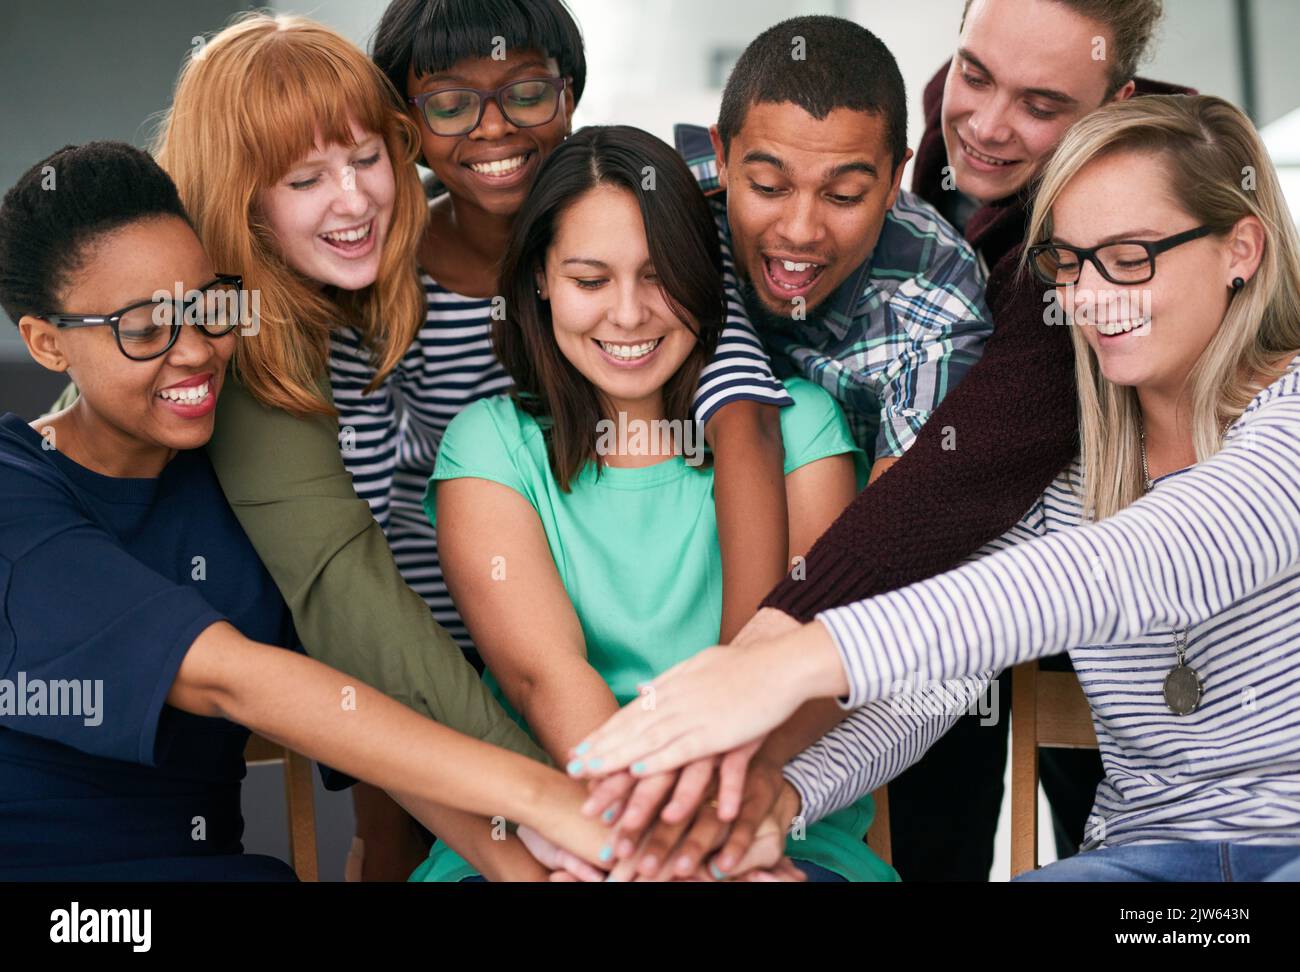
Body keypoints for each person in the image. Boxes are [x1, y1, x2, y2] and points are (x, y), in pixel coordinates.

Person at [570, 95, 1300, 883]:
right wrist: (779, 801)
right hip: (1138, 863)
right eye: (1068, 261)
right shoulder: (1070, 473)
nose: (1089, 296)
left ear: (1242, 248)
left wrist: (782, 659)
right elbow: (935, 679)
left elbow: (1125, 568)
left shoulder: (1288, 419)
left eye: (1129, 258)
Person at [0, 141, 614, 880]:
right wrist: (547, 796)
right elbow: (234, 678)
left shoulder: (240, 483)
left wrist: (534, 865)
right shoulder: (15, 495)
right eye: (143, 328)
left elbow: (363, 717)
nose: (195, 349)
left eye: (209, 306)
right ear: (46, 343)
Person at [765, 0, 1181, 881]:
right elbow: (945, 659)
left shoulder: (1130, 212)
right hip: (971, 561)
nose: (987, 127)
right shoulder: (933, 138)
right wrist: (782, 787)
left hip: (1104, 571)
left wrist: (777, 642)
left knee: (1113, 812)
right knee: (935, 785)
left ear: (1112, 102)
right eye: (975, 74)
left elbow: (969, 460)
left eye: (1040, 104)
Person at [413, 125, 889, 883]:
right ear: (540, 278)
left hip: (767, 824)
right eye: (590, 280)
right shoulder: (489, 447)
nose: (629, 315)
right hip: (558, 829)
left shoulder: (802, 430)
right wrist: (654, 844)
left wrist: (704, 839)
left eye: (658, 276)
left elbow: (821, 666)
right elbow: (547, 679)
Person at [581, 14, 991, 876]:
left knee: (937, 790)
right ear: (720, 156)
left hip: (842, 633)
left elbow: (895, 553)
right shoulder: (661, 204)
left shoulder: (940, 295)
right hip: (636, 596)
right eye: (767, 185)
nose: (800, 231)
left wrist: (736, 712)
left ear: (896, 178)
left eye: (844, 195)